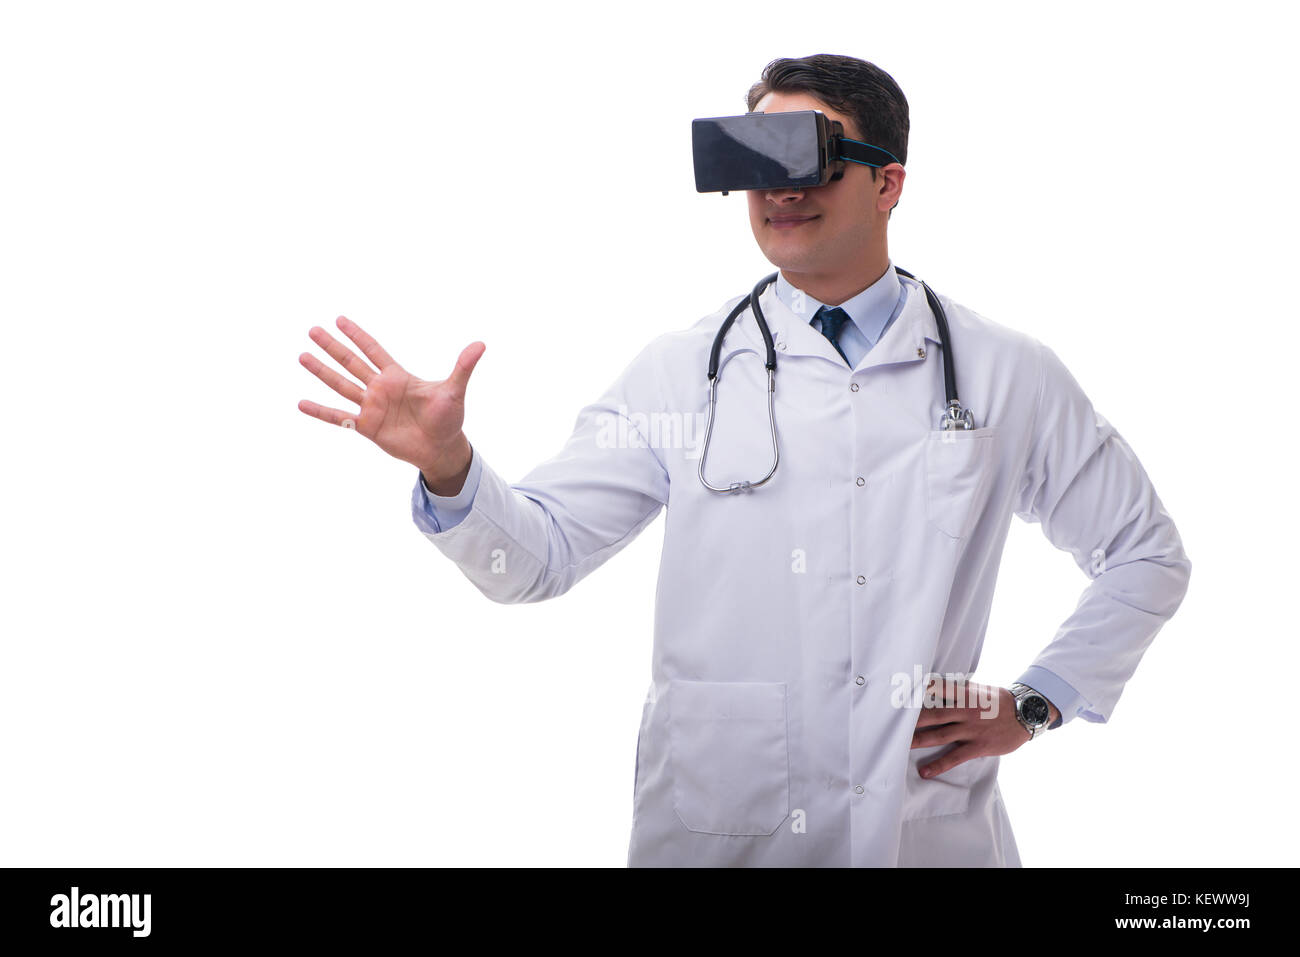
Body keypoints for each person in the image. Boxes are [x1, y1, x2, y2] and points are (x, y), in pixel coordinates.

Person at [297, 53, 1191, 866]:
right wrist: (452, 468)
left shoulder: (1005, 372)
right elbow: (536, 560)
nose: (778, 192)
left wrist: (1039, 701)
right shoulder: (682, 371)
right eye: (753, 162)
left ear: (889, 182)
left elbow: (1146, 554)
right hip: (719, 832)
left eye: (804, 158)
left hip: (928, 834)